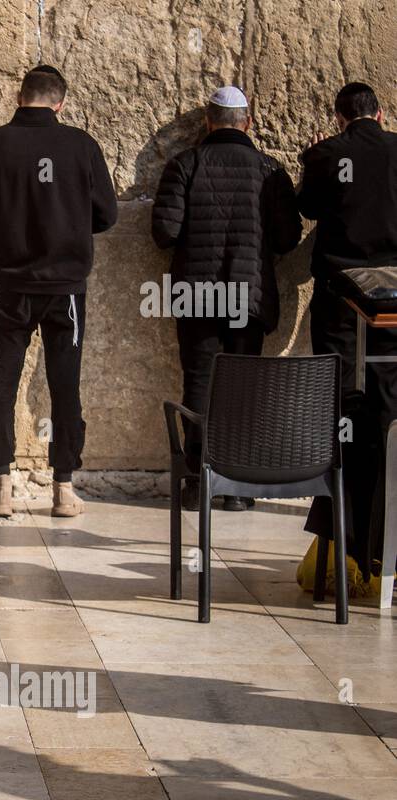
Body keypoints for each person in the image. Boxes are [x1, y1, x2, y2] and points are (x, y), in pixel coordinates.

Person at [0, 64, 117, 518]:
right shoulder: (82, 146)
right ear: (59, 103)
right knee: (65, 384)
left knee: (2, 381)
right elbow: (107, 215)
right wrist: (70, 226)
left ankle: (1, 488)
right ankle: (63, 489)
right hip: (66, 289)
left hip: (10, 286)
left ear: (19, 98)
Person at [151, 85, 302, 512]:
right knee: (242, 385)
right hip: (249, 293)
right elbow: (289, 237)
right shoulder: (270, 169)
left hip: (197, 293)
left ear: (208, 121)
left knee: (199, 380)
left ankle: (198, 481)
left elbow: (165, 232)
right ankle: (236, 486)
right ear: (247, 123)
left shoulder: (185, 164)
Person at [298, 82, 397, 575]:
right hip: (394, 300)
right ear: (381, 113)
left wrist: (312, 158)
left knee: (338, 405)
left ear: (339, 117)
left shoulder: (328, 153)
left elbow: (308, 207)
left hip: (341, 296)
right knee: (387, 404)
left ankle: (344, 530)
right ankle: (382, 527)